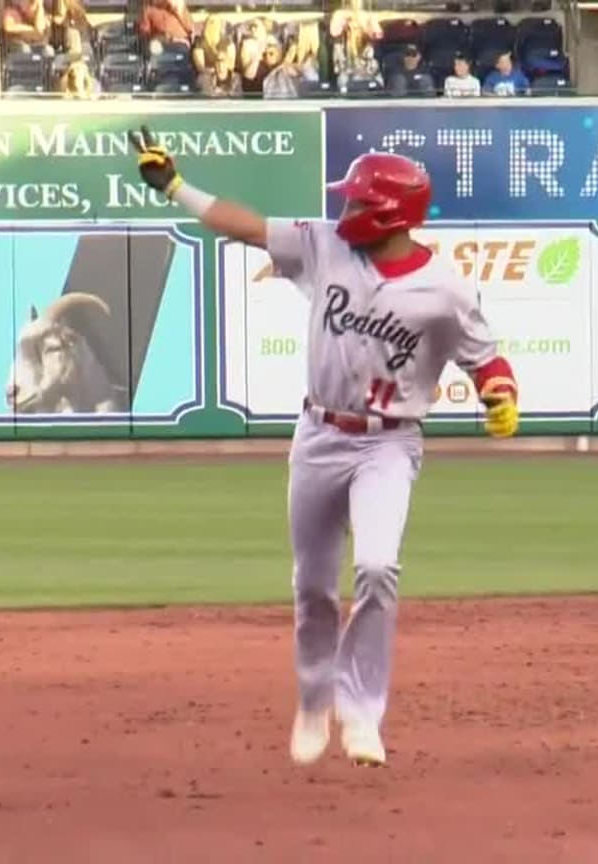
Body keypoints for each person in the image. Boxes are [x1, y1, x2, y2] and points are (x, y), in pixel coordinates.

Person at [130, 128, 521, 767]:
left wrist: (500, 394)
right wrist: (176, 185)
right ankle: (315, 698)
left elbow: (486, 359)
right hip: (317, 436)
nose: (345, 212)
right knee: (313, 585)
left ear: (391, 213)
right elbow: (249, 228)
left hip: (388, 444)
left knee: (376, 568)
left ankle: (362, 713)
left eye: (358, 203)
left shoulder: (445, 289)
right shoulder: (326, 246)